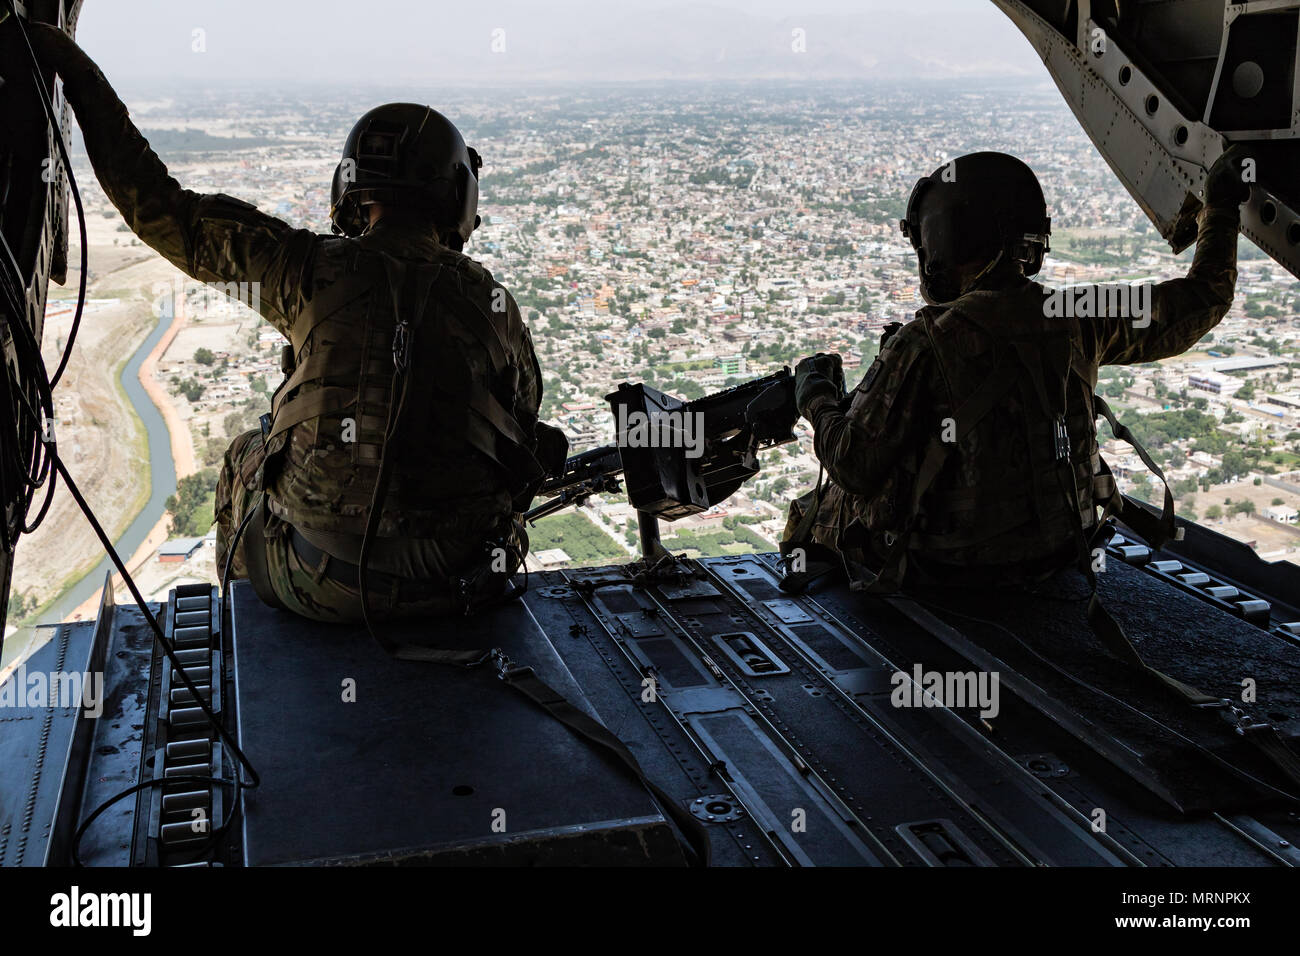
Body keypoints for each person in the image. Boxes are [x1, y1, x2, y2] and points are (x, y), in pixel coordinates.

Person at [28, 25, 563, 621]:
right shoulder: (493, 304)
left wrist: (69, 64)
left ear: (353, 188)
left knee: (244, 456)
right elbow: (523, 440)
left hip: (312, 581)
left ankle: (243, 627)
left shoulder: (307, 270)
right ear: (457, 197)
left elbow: (158, 206)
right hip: (457, 585)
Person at [783, 148, 1249, 593]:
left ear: (939, 243)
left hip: (952, 569)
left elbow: (853, 464)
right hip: (1065, 550)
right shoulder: (1078, 315)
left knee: (816, 511)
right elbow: (1202, 299)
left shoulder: (924, 341)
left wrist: (815, 395)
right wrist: (1221, 206)